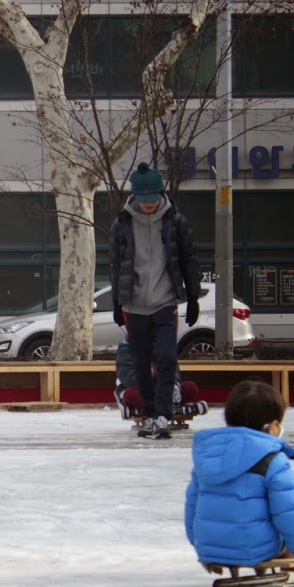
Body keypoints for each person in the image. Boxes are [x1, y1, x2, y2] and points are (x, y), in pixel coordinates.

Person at [185, 380, 294, 581]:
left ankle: (220, 552)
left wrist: (201, 547)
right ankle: (290, 552)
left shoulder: (208, 456)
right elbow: (287, 513)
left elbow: (192, 507)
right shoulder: (273, 460)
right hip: (256, 548)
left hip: (209, 548)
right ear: (274, 426)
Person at [110, 162, 202, 441]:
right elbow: (116, 265)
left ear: (160, 194)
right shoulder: (122, 224)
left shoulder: (175, 221)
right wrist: (116, 303)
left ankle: (163, 414)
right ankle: (150, 413)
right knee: (140, 362)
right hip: (134, 304)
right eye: (143, 199)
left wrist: (193, 297)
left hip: (165, 302)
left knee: (166, 358)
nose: (148, 205)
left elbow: (188, 260)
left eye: (152, 199)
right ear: (135, 196)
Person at [114, 337, 204, 424]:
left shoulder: (161, 346)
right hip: (144, 389)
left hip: (164, 389)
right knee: (130, 394)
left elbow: (173, 368)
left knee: (191, 387)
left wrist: (174, 384)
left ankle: (167, 406)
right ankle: (171, 408)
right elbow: (128, 377)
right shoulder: (125, 350)